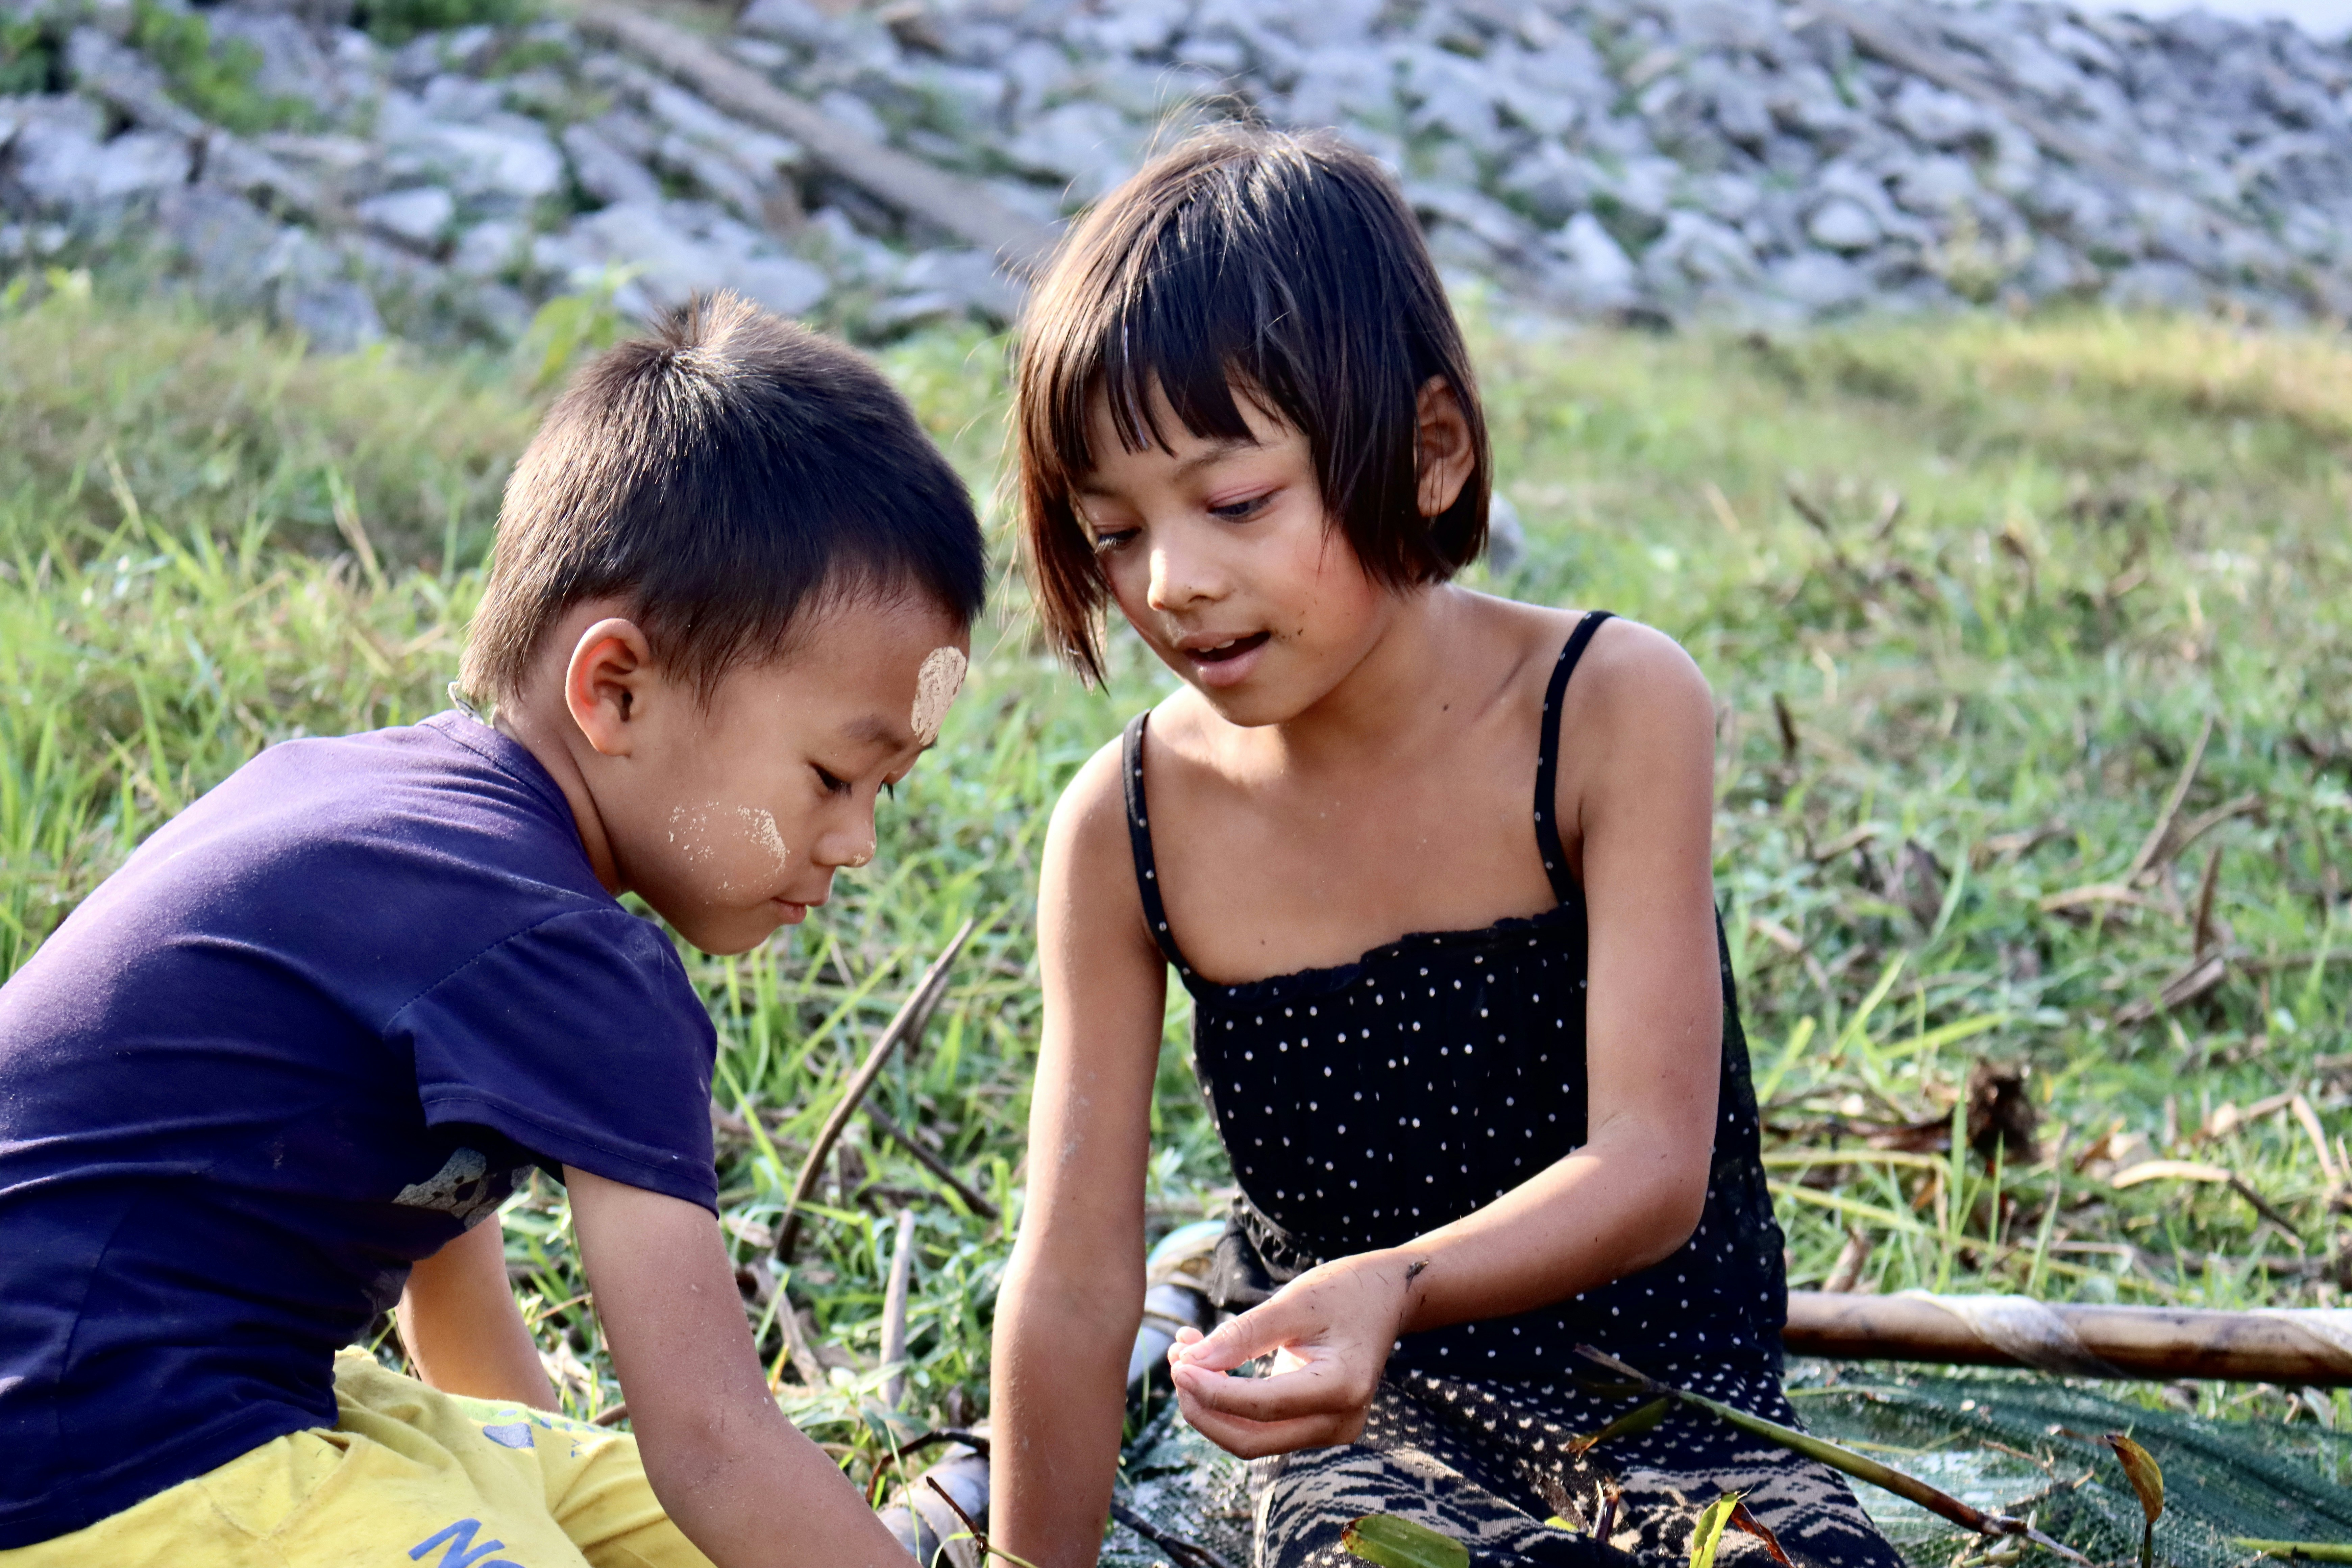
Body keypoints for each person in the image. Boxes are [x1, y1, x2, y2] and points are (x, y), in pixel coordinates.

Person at [988, 128, 1906, 1568]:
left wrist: (1397, 1283)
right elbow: (1070, 1277)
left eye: (1236, 503)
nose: (1173, 580)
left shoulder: (1608, 706)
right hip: (1363, 1422)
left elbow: (1653, 1161)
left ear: (1427, 452)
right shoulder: (1127, 825)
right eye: (1113, 531)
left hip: (1663, 1397)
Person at [0, 292, 981, 1567]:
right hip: (99, 1451)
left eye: (884, 794)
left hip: (218, 1389)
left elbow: (441, 1258)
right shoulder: (562, 950)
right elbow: (718, 1448)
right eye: (832, 778)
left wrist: (514, 1500)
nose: (854, 843)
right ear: (614, 687)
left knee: (654, 1530)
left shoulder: (415, 841)